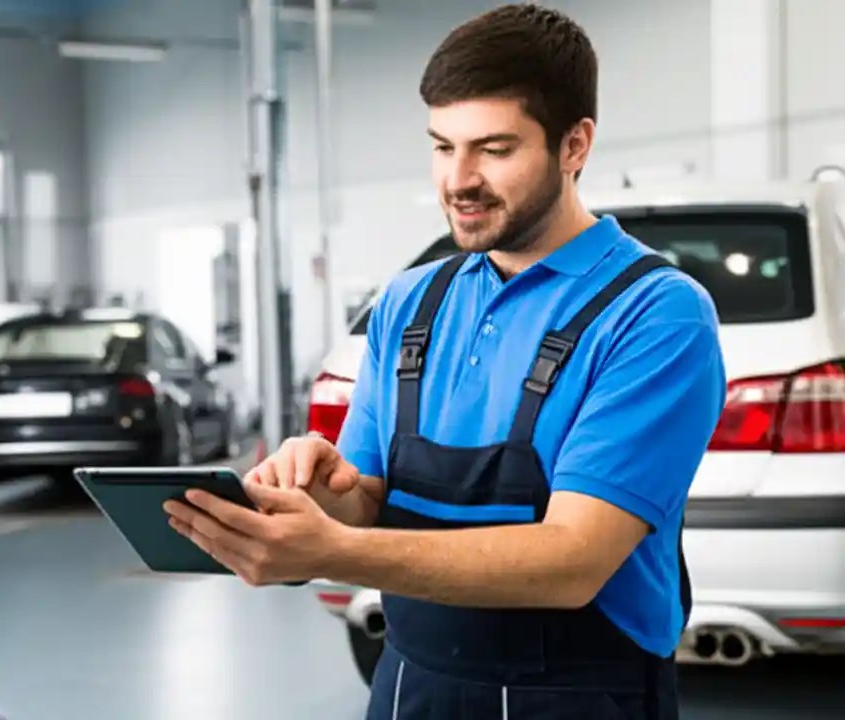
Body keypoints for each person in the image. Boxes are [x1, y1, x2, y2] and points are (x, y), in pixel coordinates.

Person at [164, 4, 725, 719]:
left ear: (574, 144)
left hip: (579, 698)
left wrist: (326, 553)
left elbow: (573, 561)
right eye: (441, 146)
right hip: (411, 687)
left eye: (493, 149)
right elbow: (366, 499)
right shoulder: (409, 304)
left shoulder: (656, 314)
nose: (458, 179)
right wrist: (316, 494)